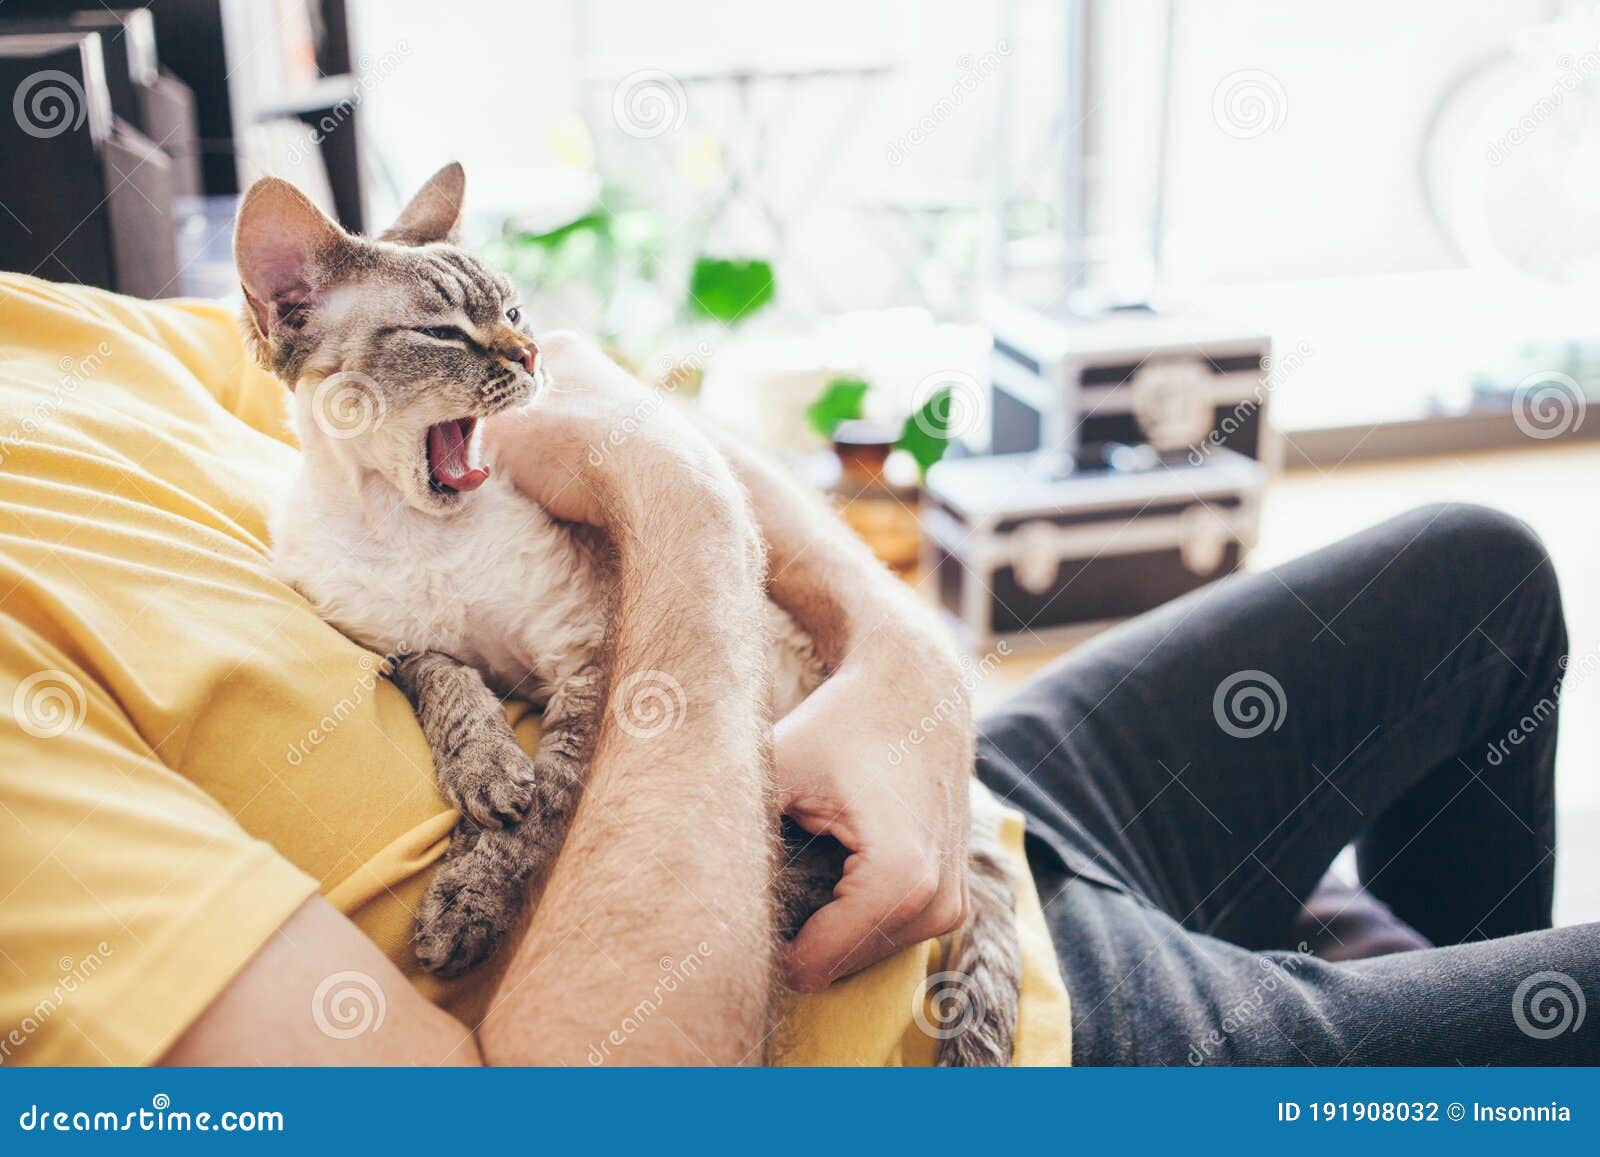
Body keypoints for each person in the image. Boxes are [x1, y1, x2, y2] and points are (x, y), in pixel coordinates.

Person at [164, 336, 1596, 1065]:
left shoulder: (93, 327)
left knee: (1487, 571)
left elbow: (598, 388)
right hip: (1000, 1038)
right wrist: (685, 522)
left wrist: (895, 645)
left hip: (968, 807)